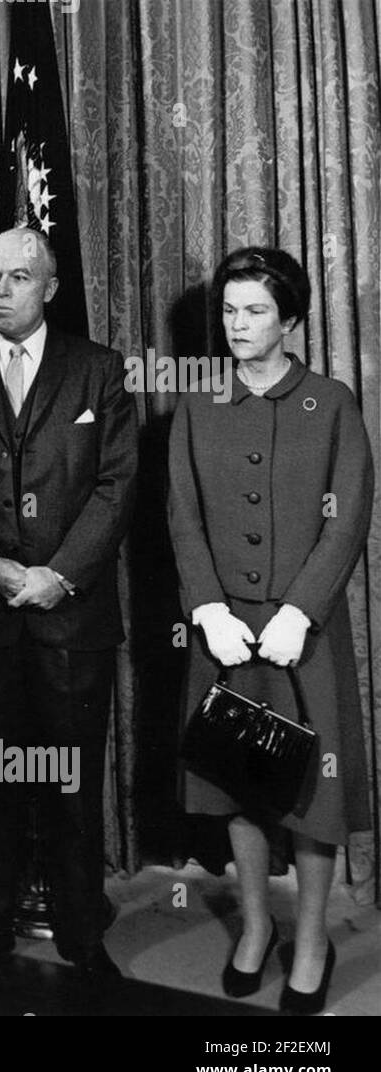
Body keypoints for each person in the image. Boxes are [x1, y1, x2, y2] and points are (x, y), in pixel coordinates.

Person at [0, 227, 138, 973]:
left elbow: (116, 486)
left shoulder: (99, 370)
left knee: (71, 782)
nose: (1, 290)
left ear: (49, 287)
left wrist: (58, 573)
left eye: (18, 277)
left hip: (71, 614)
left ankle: (81, 930)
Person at [168, 247, 373, 1014]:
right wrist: (208, 609)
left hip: (301, 635)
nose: (238, 325)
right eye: (229, 310)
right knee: (239, 785)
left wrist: (300, 610)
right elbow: (180, 514)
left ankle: (312, 936)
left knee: (310, 796)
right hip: (226, 633)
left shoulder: (331, 400)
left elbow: (347, 515)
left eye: (255, 311)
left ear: (290, 319)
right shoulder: (198, 403)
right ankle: (255, 926)